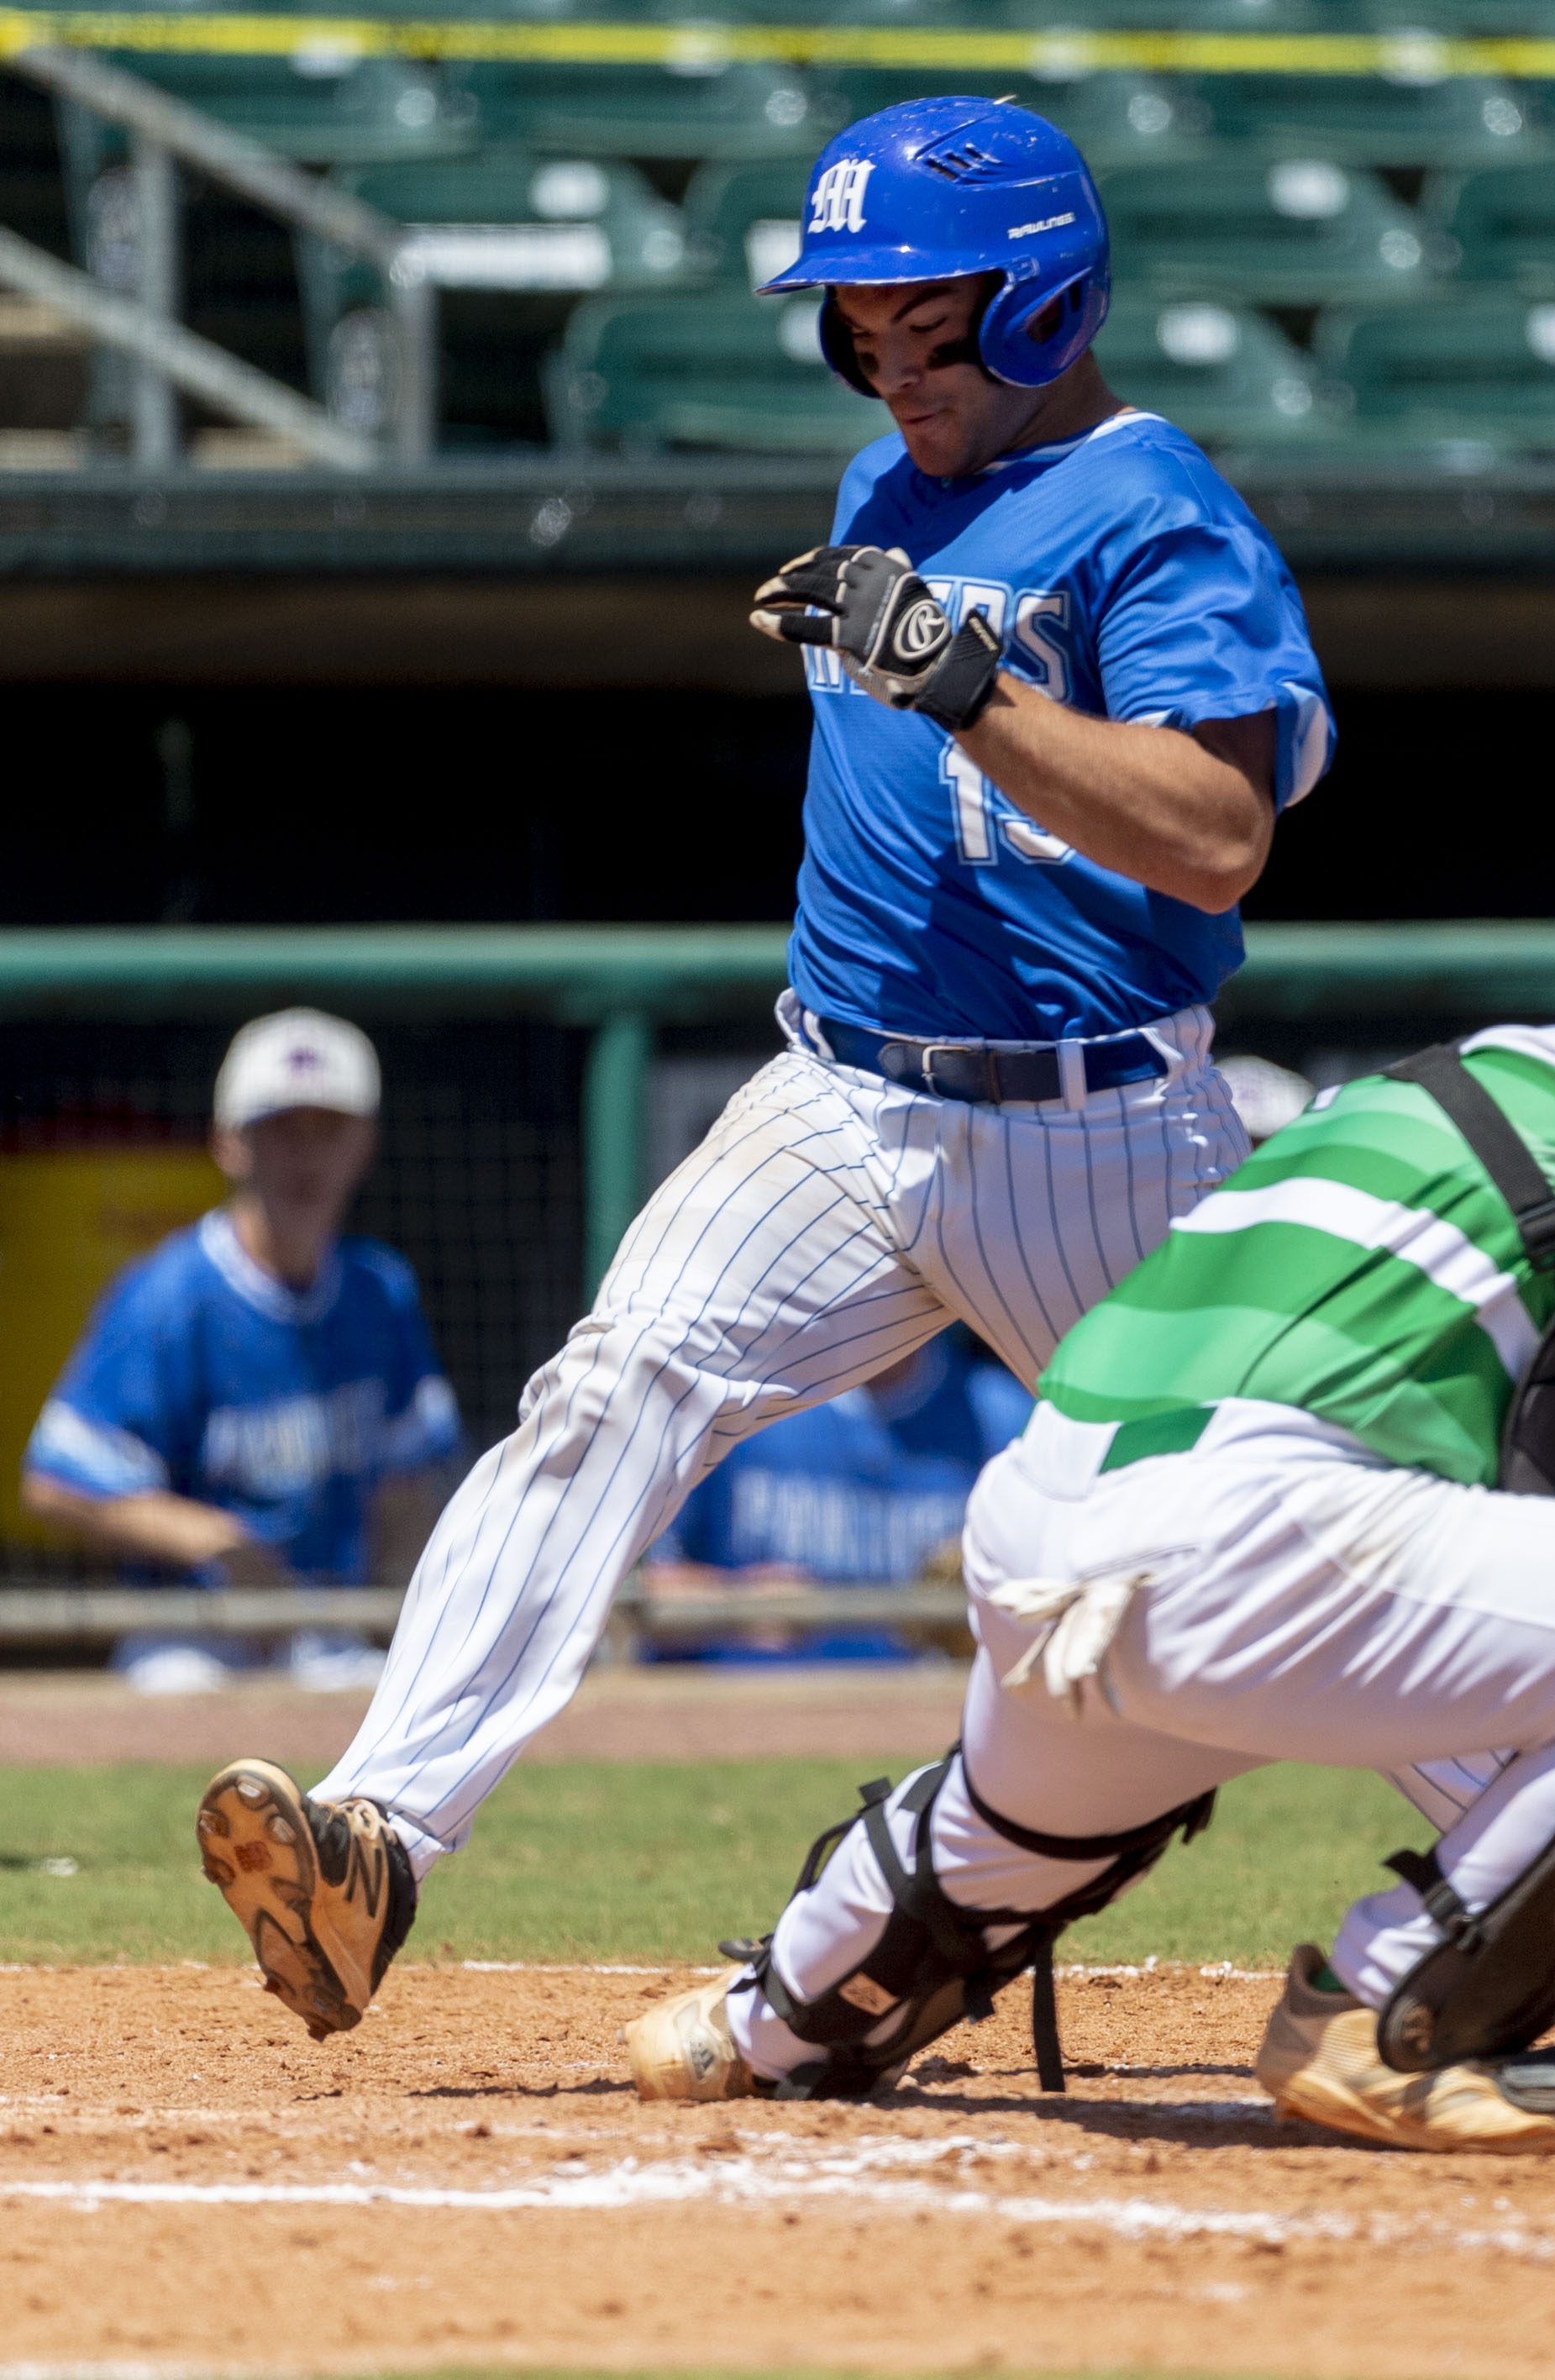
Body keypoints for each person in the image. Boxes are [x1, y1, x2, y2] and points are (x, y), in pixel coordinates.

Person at [194, 95, 1334, 2044]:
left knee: (1298, 1521)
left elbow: (1219, 834)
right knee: (611, 1381)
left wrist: (971, 682)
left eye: (929, 322)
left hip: (1099, 1127)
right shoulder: (883, 489)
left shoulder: (1159, 507)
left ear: (1047, 302)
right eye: (859, 329)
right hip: (843, 1093)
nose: (891, 363)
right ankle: (376, 1834)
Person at [585, 828, 1555, 2154]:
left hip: (1044, 1527)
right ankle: (1385, 2009)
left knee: (1001, 1843)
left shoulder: (1531, 1064)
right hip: (1244, 1543)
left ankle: (765, 2019)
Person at [21, 1009, 459, 1694]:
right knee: (180, 1699)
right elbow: (56, 1481)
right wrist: (222, 1546)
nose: (305, 1154)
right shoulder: (167, 1295)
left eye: (328, 1128)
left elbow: (407, 1485)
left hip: (328, 1628)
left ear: (364, 1142)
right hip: (193, 1626)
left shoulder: (380, 1289)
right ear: (229, 1141)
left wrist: (399, 1620)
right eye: (280, 1127)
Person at [643, 1326, 1031, 1662]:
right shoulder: (737, 1401)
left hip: (932, 1718)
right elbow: (637, 1592)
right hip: (742, 1712)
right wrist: (735, 1601)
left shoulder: (1005, 1418)